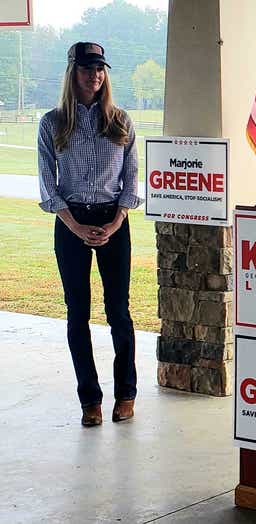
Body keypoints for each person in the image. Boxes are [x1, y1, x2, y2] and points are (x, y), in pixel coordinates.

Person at [37, 42, 141, 427]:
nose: (94, 75)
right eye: (86, 68)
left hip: (114, 221)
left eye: (100, 68)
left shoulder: (121, 122)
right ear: (72, 71)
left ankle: (126, 394)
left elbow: (131, 182)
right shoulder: (52, 123)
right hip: (71, 223)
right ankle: (90, 401)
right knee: (77, 314)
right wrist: (76, 227)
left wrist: (113, 225)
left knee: (119, 312)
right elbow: (49, 186)